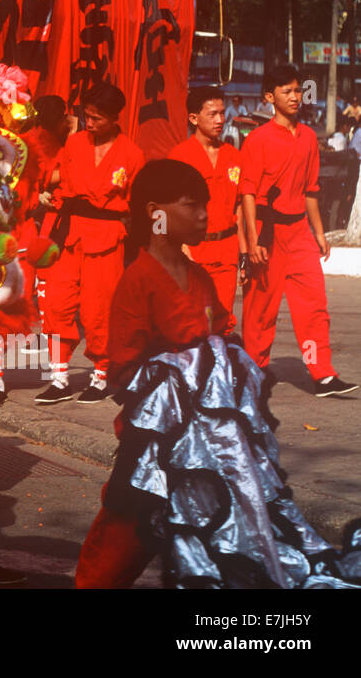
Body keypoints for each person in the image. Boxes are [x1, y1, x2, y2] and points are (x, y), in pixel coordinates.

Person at [74, 158, 235, 588]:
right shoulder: (138, 280)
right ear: (154, 213)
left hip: (204, 445)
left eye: (205, 204)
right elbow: (125, 371)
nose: (204, 215)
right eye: (191, 205)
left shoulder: (201, 278)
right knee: (121, 546)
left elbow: (224, 338)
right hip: (153, 445)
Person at [239, 65, 357, 396]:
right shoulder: (257, 140)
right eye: (286, 91)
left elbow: (311, 190)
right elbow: (247, 193)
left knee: (313, 305)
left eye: (297, 90)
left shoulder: (307, 137)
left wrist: (319, 233)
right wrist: (250, 242)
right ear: (269, 97)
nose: (295, 96)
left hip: (299, 232)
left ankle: (321, 374)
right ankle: (255, 369)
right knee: (261, 307)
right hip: (267, 231)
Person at [35, 82, 144, 404]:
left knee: (98, 311)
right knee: (56, 303)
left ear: (114, 118)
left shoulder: (132, 154)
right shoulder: (74, 144)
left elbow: (138, 205)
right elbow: (58, 181)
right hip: (68, 232)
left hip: (108, 237)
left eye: (96, 118)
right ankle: (59, 376)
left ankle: (101, 375)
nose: (90, 123)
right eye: (86, 116)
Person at [169, 86, 247, 314]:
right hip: (194, 250)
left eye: (222, 113)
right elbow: (170, 209)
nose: (220, 120)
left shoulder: (234, 156)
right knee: (192, 318)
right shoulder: (179, 157)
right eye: (212, 114)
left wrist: (243, 252)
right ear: (194, 118)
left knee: (222, 318)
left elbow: (239, 206)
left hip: (226, 250)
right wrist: (180, 247)